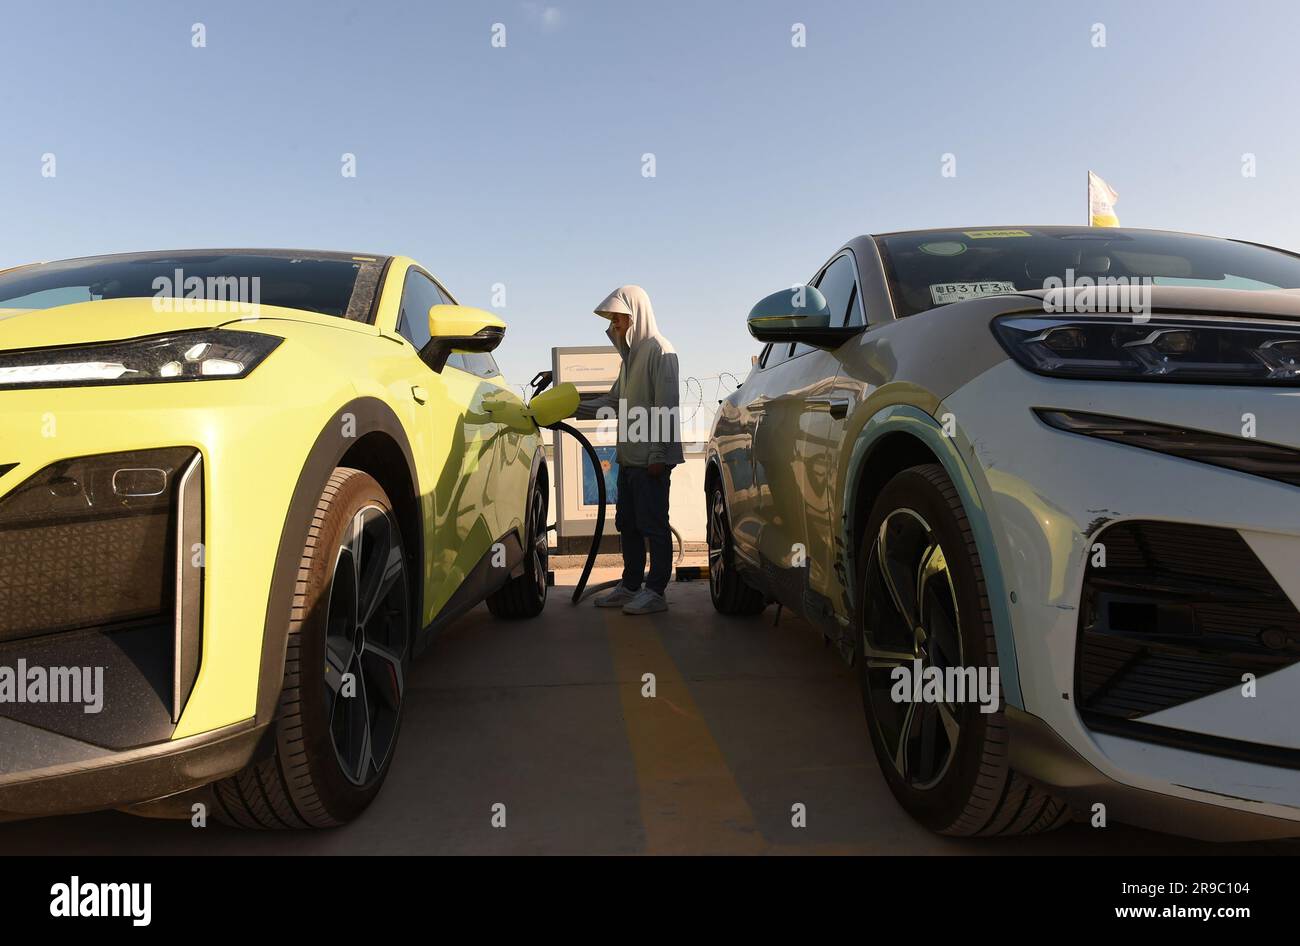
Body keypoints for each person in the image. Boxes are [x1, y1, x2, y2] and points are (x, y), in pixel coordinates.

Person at [576, 285, 682, 615]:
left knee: (654, 525)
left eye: (620, 318)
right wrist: (568, 406)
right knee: (629, 524)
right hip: (630, 460)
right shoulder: (630, 361)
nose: (616, 325)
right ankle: (632, 585)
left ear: (636, 316)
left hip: (651, 461)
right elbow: (611, 403)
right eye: (614, 320)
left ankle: (656, 592)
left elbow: (666, 406)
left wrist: (658, 455)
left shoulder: (660, 351)